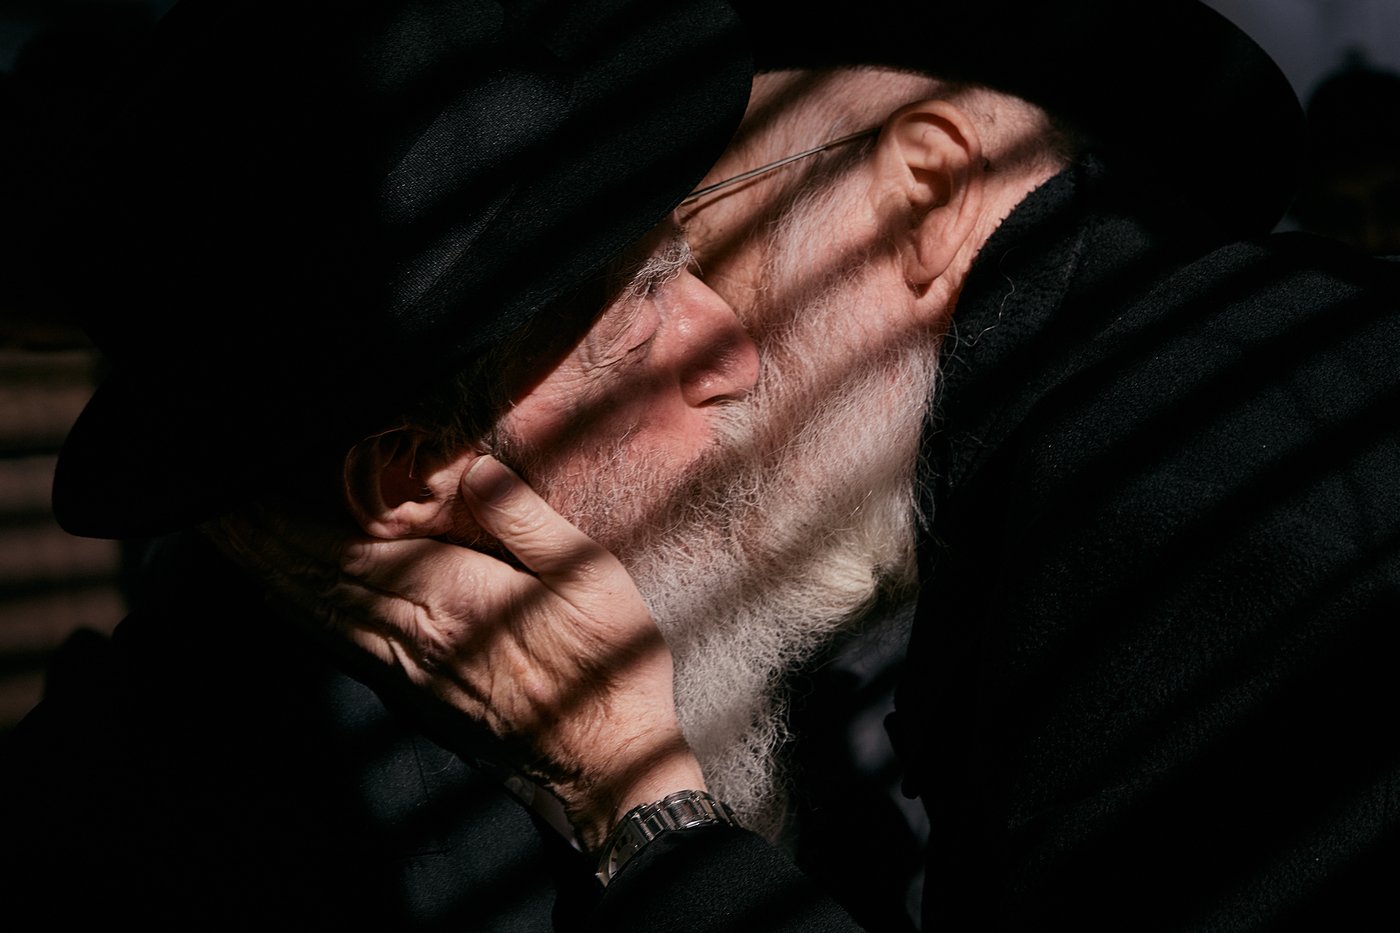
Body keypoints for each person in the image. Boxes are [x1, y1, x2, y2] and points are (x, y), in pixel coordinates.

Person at [223, 1, 1400, 930]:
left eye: (699, 236)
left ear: (921, 195)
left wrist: (636, 806)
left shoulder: (1176, 507)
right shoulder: (1136, 428)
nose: (718, 343)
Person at [0, 0, 780, 928]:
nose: (739, 351)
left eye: (685, 265)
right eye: (639, 327)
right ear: (409, 479)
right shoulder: (261, 858)